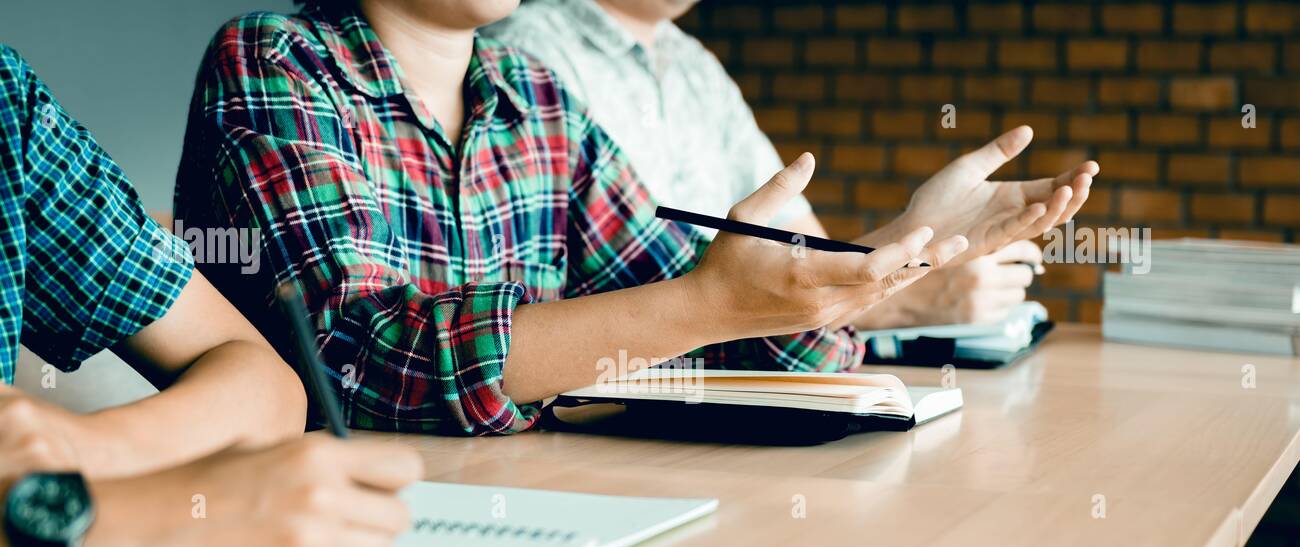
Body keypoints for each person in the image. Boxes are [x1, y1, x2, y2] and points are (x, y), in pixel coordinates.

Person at [175, 0, 1087, 437]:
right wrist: (709, 304)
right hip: (326, 540)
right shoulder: (274, 60)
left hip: (538, 518)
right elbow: (354, 365)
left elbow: (738, 327)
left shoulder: (535, 100)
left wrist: (899, 253)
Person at [0, 45, 422, 547]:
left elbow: (262, 378)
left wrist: (76, 454)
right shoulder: (272, 59)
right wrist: (113, 526)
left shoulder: (9, 111)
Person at [486, 0, 1091, 331]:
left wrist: (915, 242)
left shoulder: (693, 64)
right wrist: (906, 298)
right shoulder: (525, 49)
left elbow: (797, 257)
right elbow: (625, 298)